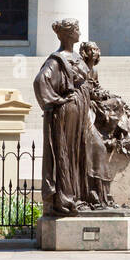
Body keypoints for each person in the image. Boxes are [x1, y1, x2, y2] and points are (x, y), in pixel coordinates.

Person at [32, 19, 94, 216]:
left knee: (78, 153)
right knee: (65, 153)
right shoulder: (57, 59)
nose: (79, 33)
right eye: (76, 30)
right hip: (67, 112)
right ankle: (65, 198)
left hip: (81, 110)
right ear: (68, 34)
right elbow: (40, 81)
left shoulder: (76, 56)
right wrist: (57, 100)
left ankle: (77, 195)